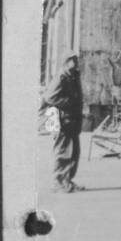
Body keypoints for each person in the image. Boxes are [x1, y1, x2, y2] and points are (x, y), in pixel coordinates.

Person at [41, 52, 84, 192]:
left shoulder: (73, 75)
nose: (75, 63)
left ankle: (67, 180)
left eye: (75, 60)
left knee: (75, 152)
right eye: (71, 60)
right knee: (62, 151)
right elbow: (49, 97)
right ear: (65, 62)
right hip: (63, 120)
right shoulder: (62, 76)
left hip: (73, 119)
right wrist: (69, 102)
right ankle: (59, 182)